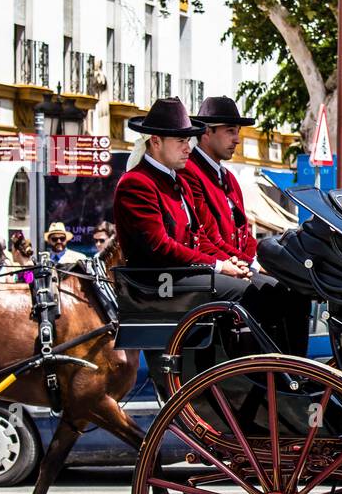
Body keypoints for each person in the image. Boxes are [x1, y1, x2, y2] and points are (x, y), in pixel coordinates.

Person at [113, 97, 307, 353]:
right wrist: (218, 265)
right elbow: (160, 246)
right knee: (253, 294)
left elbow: (200, 237)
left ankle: (283, 371)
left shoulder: (174, 181)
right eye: (181, 141)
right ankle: (267, 371)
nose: (187, 148)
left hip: (183, 275)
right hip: (158, 282)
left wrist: (233, 264)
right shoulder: (136, 183)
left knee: (278, 291)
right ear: (156, 141)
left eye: (187, 140)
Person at [185, 96, 259, 267]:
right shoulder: (190, 171)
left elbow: (245, 234)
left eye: (238, 131)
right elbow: (208, 237)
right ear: (206, 132)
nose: (237, 139)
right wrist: (250, 265)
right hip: (212, 268)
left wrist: (263, 258)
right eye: (230, 131)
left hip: (236, 264)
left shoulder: (229, 177)